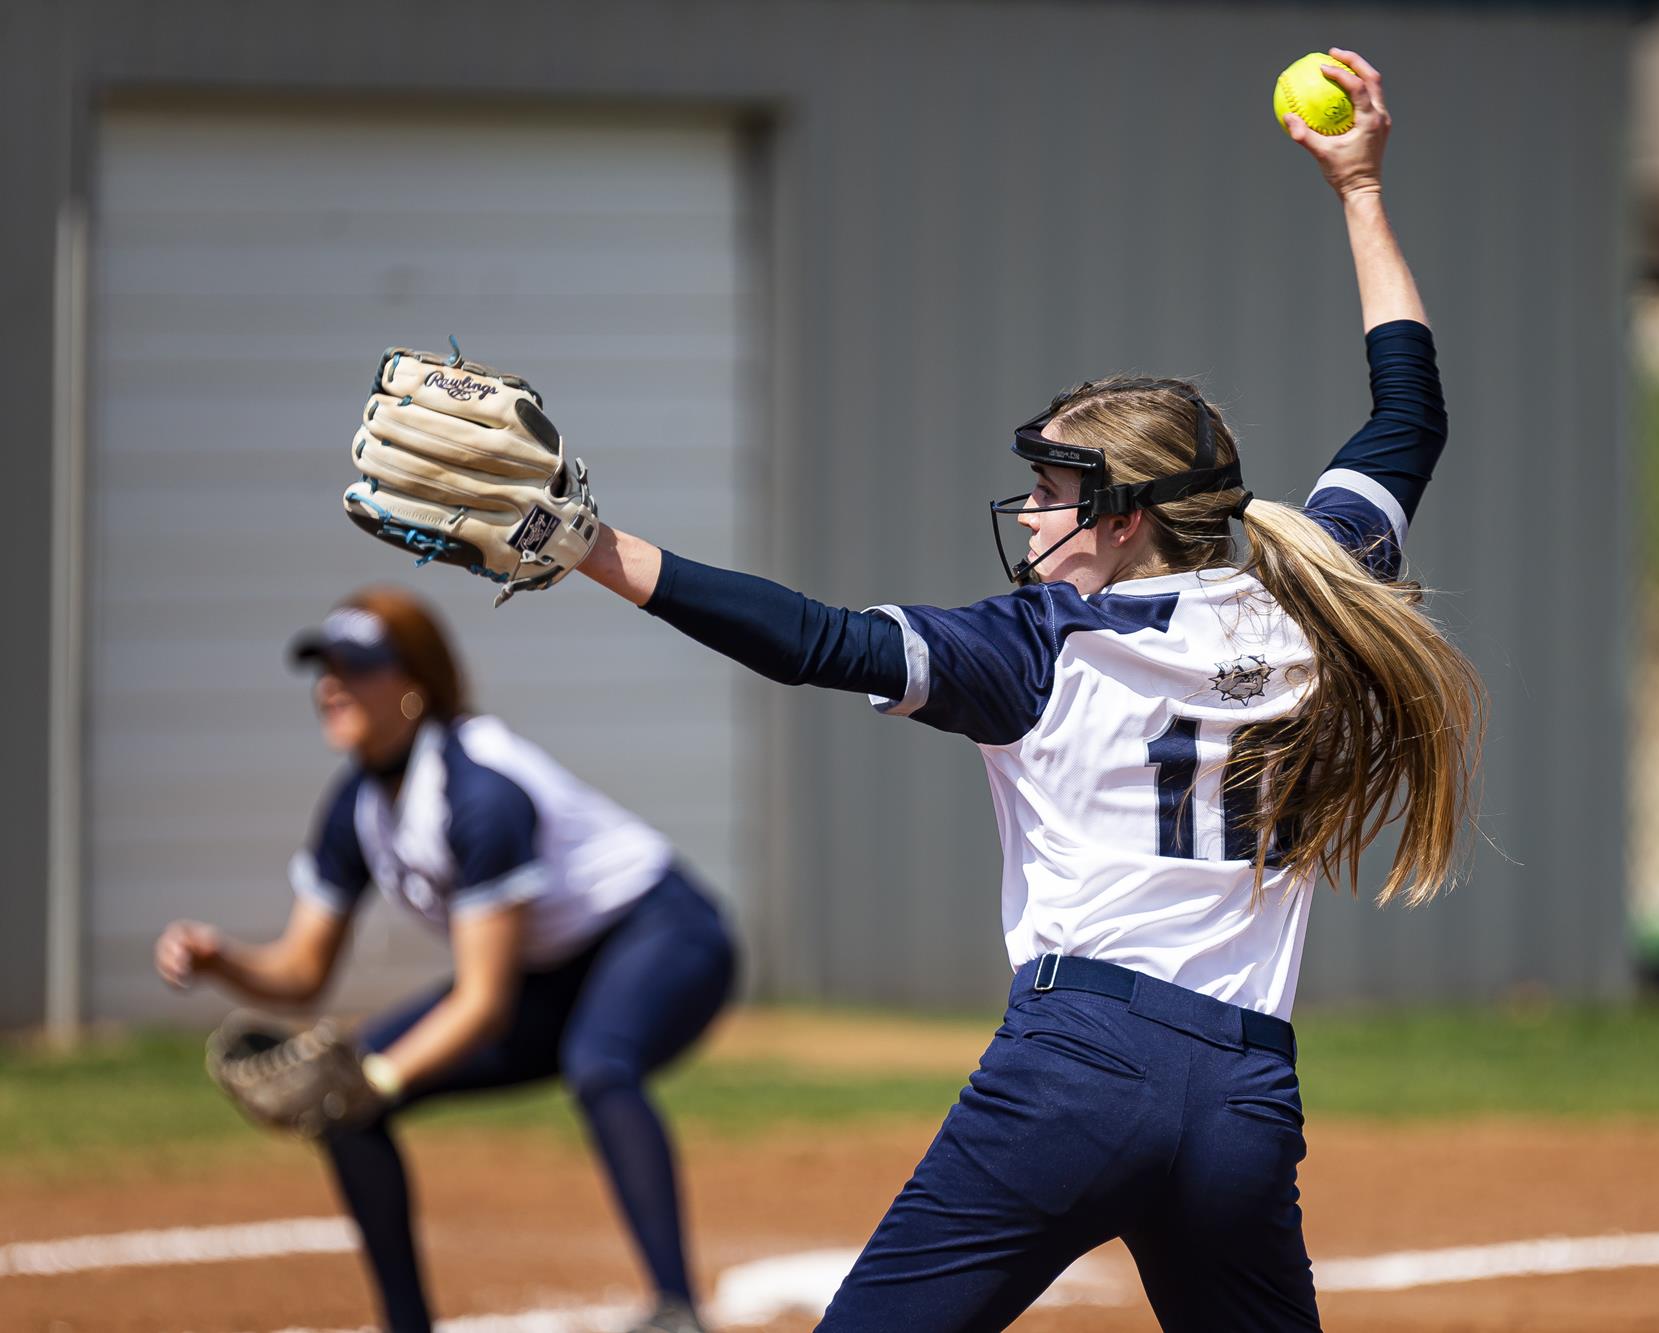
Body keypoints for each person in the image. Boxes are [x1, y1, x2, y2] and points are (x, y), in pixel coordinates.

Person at [554, 50, 1484, 1330]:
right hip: (1241, 1094)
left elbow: (811, 639)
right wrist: (1360, 187)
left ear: (1123, 517)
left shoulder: (1048, 645)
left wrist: (585, 545)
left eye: (1052, 492)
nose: (1032, 512)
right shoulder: (1314, 592)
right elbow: (1407, 416)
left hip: (1073, 1074)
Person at [154, 586, 735, 1333]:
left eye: (357, 667)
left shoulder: (478, 793)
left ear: (416, 686)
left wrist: (380, 1077)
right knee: (342, 1104)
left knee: (599, 1062)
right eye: (326, 668)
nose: (331, 686)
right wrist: (220, 960)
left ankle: (677, 1311)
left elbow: (485, 1004)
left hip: (664, 934)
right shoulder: (359, 802)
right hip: (550, 970)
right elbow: (302, 974)